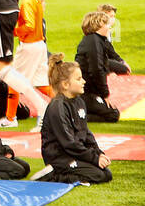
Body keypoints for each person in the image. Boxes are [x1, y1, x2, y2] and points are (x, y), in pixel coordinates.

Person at [34, 56, 112, 184]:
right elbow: (68, 142)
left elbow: (85, 132)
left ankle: (62, 172)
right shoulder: (57, 106)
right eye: (79, 79)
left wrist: (99, 153)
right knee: (99, 175)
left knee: (106, 173)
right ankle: (52, 175)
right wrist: (93, 158)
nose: (84, 81)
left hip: (73, 153)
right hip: (60, 157)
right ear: (65, 84)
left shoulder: (79, 102)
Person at [3, 0, 52, 126]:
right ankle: (69, 104)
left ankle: (11, 118)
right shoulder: (37, 1)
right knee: (41, 83)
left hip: (29, 46)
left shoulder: (26, 3)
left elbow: (29, 26)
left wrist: (15, 31)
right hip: (40, 45)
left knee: (14, 80)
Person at [75, 10, 128, 123]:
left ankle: (79, 112)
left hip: (88, 90)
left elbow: (107, 59)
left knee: (111, 112)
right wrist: (105, 94)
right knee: (112, 115)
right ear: (98, 25)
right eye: (106, 25)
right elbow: (96, 70)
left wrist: (121, 64)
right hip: (86, 92)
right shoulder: (94, 41)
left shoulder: (97, 40)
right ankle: (77, 116)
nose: (109, 28)